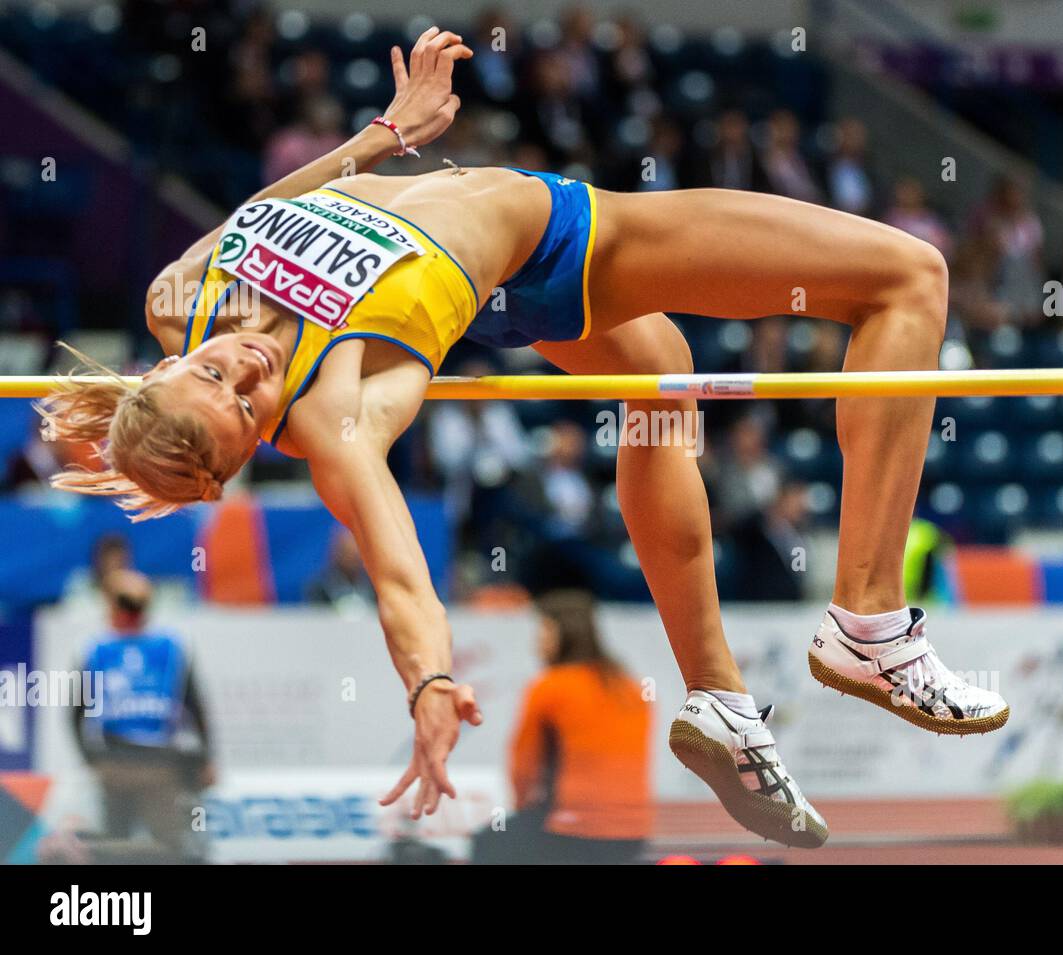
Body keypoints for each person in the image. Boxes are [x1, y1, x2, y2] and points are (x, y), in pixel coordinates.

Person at [39, 28, 1008, 849]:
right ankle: (868, 627)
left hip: (482, 273)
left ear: (158, 364)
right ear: (256, 446)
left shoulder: (179, 295)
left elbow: (262, 211)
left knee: (661, 379)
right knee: (908, 276)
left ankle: (721, 701)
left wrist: (381, 136)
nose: (245, 368)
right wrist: (430, 680)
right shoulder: (339, 414)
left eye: (213, 370)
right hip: (559, 245)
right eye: (247, 408)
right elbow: (399, 572)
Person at [474, 590, 651, 864]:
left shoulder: (550, 687)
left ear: (563, 633)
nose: (537, 641)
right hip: (634, 833)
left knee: (488, 842)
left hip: (572, 829)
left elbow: (523, 768)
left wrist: (525, 809)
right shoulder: (631, 687)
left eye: (543, 629)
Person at [72, 569, 214, 860]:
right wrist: (205, 759)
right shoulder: (167, 647)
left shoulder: (101, 649)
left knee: (129, 847)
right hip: (143, 766)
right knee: (154, 847)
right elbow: (195, 709)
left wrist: (90, 758)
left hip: (134, 766)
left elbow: (76, 714)